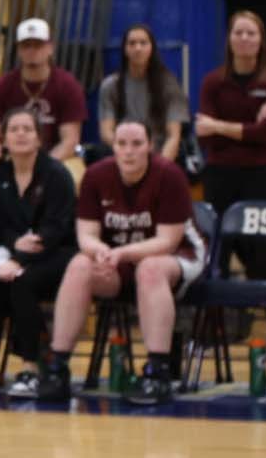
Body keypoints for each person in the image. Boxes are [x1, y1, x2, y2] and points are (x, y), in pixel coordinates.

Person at [36, 121, 205, 405]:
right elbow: (86, 235)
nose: (129, 151)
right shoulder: (95, 176)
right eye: (122, 144)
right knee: (80, 264)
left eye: (137, 144)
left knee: (150, 267)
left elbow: (168, 241)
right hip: (120, 259)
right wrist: (100, 251)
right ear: (113, 147)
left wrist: (122, 254)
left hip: (179, 256)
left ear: (150, 146)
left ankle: (157, 373)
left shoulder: (169, 175)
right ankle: (57, 367)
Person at [196, 10, 266, 354]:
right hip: (220, 173)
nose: (245, 38)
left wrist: (221, 126)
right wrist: (249, 128)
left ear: (261, 40)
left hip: (260, 173)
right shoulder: (213, 81)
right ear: (230, 39)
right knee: (216, 248)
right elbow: (204, 137)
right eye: (239, 32)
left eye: (252, 33)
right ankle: (214, 328)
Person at [0, 108, 76, 398]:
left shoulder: (57, 174)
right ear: (3, 139)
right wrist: (14, 244)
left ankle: (30, 368)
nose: (21, 134)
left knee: (22, 282)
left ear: (39, 138)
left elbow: (59, 227)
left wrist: (19, 258)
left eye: (28, 129)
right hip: (15, 252)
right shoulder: (0, 175)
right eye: (14, 129)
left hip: (58, 253)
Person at [0, 17, 86, 160]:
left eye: (38, 45)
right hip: (13, 160)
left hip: (58, 160)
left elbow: (69, 141)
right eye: (26, 46)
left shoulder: (68, 85)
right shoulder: (1, 87)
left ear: (50, 48)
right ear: (18, 50)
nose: (32, 51)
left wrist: (43, 167)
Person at [99, 24, 188, 162]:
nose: (138, 48)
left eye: (143, 43)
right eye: (132, 43)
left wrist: (160, 168)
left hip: (159, 156)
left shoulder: (169, 85)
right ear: (124, 49)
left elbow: (173, 136)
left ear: (152, 48)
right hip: (122, 158)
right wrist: (129, 152)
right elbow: (106, 132)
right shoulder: (110, 85)